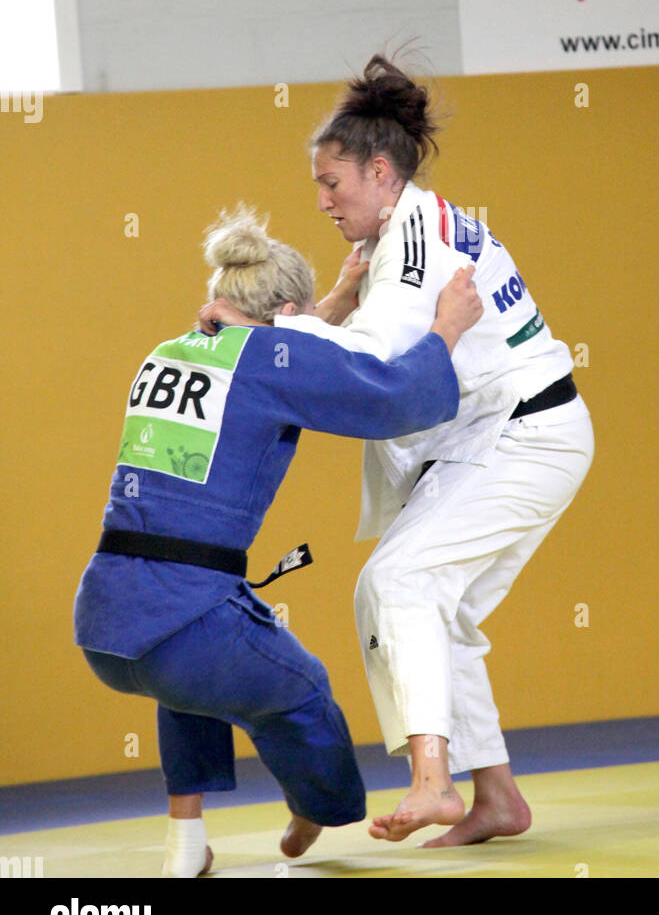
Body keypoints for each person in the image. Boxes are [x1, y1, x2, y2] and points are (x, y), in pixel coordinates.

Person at [202, 56, 595, 848]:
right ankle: (498, 799)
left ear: (381, 173)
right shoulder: (404, 237)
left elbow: (376, 370)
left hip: (523, 435)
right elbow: (372, 355)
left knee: (400, 579)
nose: (322, 202)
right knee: (428, 605)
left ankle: (433, 782)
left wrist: (264, 330)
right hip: (505, 439)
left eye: (332, 184)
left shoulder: (417, 237)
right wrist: (330, 308)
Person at [73, 203, 481, 876]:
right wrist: (446, 328)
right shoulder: (270, 361)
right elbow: (392, 399)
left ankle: (184, 846)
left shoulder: (168, 351)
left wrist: (331, 305)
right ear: (286, 315)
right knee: (304, 691)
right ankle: (314, 806)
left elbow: (269, 358)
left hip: (106, 624)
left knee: (189, 679)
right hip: (185, 621)